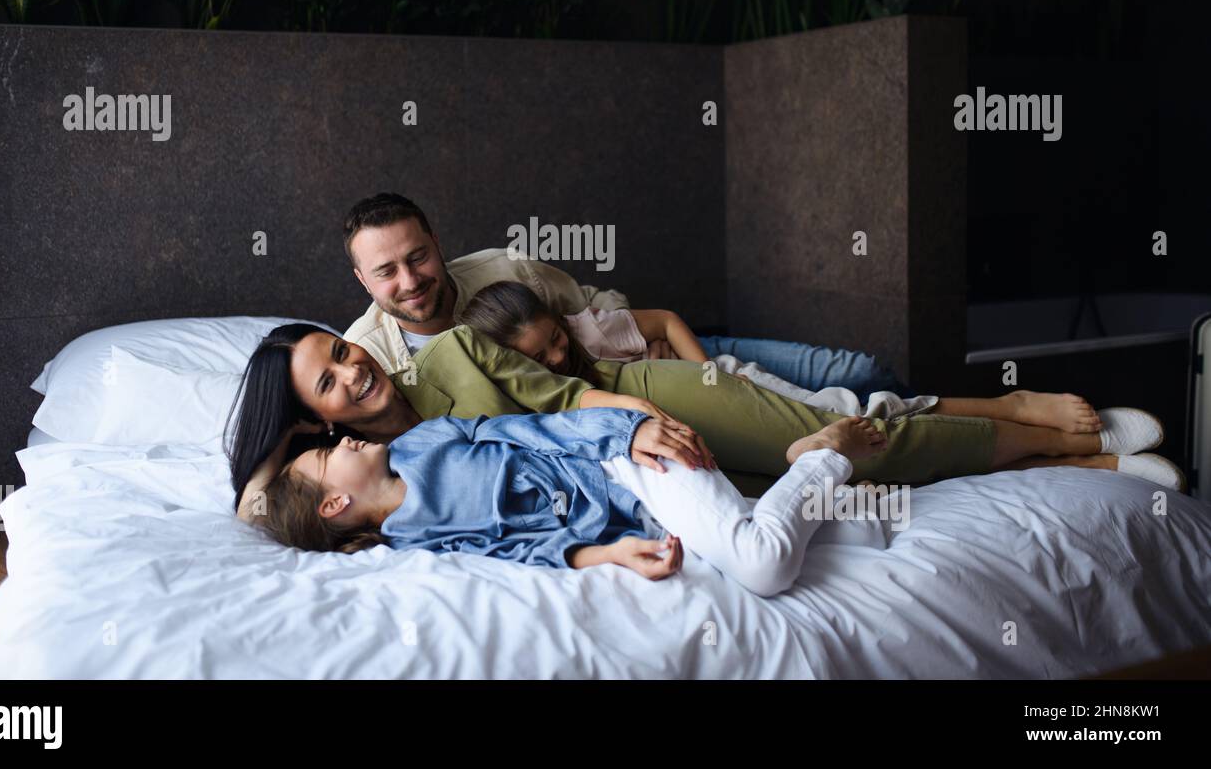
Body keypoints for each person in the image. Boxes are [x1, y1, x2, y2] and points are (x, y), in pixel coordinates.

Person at [226, 324, 1182, 528]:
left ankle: (1070, 445)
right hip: (638, 478)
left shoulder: (448, 359)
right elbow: (258, 503)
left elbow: (572, 403)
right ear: (311, 416)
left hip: (647, 403)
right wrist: (268, 451)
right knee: (844, 490)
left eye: (340, 352)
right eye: (328, 380)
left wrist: (650, 423)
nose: (352, 371)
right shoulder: (368, 466)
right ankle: (1045, 450)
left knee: (845, 437)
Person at [252, 408, 891, 597]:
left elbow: (539, 428)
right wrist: (608, 554)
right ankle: (842, 501)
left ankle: (825, 449)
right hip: (630, 514)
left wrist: (627, 431)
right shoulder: (413, 540)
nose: (340, 438)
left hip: (621, 461)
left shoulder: (426, 441)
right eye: (325, 454)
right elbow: (522, 549)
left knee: (763, 565)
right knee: (862, 541)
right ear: (335, 503)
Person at [340, 192, 909, 401]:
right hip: (628, 399)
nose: (410, 281)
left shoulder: (503, 268)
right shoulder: (366, 357)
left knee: (857, 370)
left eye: (417, 257)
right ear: (364, 282)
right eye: (386, 271)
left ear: (437, 245)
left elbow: (595, 299)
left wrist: (640, 349)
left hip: (657, 347)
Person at [461, 280, 936, 419]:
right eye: (541, 359)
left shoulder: (591, 332)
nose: (558, 358)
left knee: (835, 403)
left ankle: (928, 415)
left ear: (559, 321)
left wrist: (710, 375)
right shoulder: (538, 392)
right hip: (699, 404)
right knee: (827, 417)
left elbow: (665, 319)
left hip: (720, 372)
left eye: (556, 341)